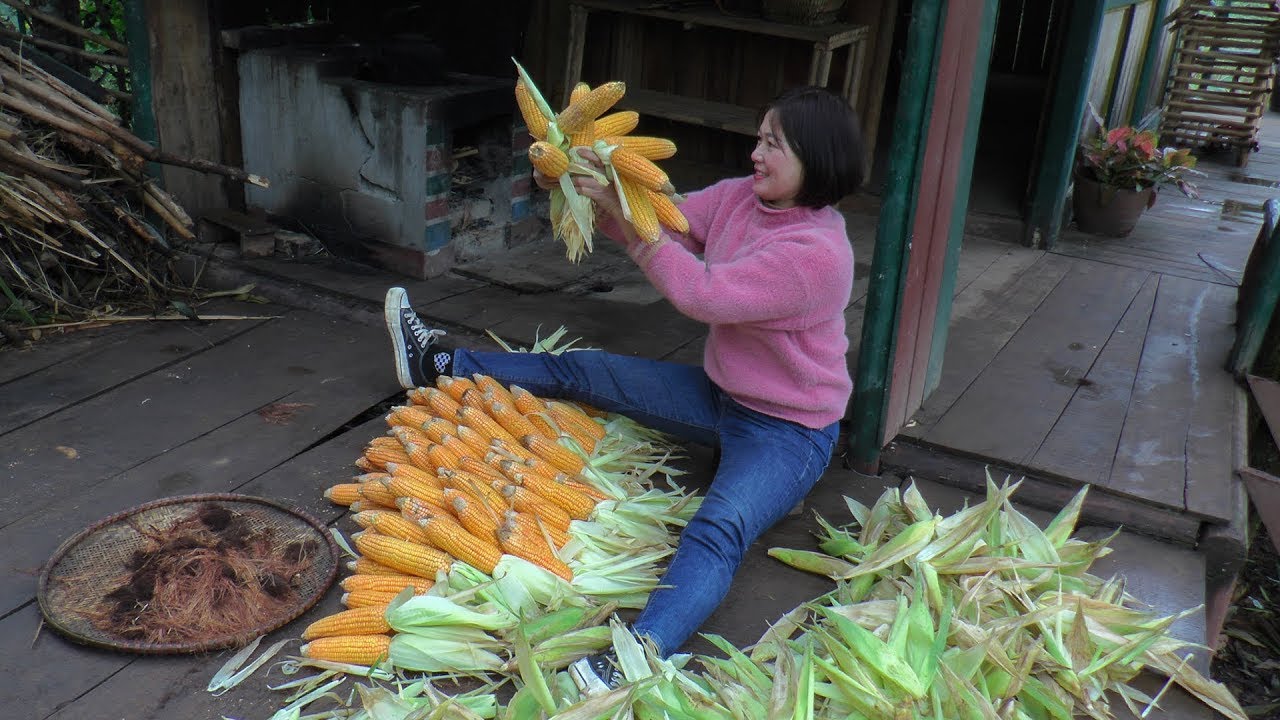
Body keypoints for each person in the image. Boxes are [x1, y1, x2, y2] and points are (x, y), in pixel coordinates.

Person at [383, 85, 865, 694]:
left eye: (773, 144)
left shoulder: (817, 255)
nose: (755, 155)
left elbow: (702, 293)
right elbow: (674, 222)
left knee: (717, 530)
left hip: (790, 431)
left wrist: (635, 228)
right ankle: (438, 360)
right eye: (759, 138)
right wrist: (590, 187)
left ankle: (637, 652)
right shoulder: (746, 198)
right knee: (586, 371)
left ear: (815, 160)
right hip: (724, 395)